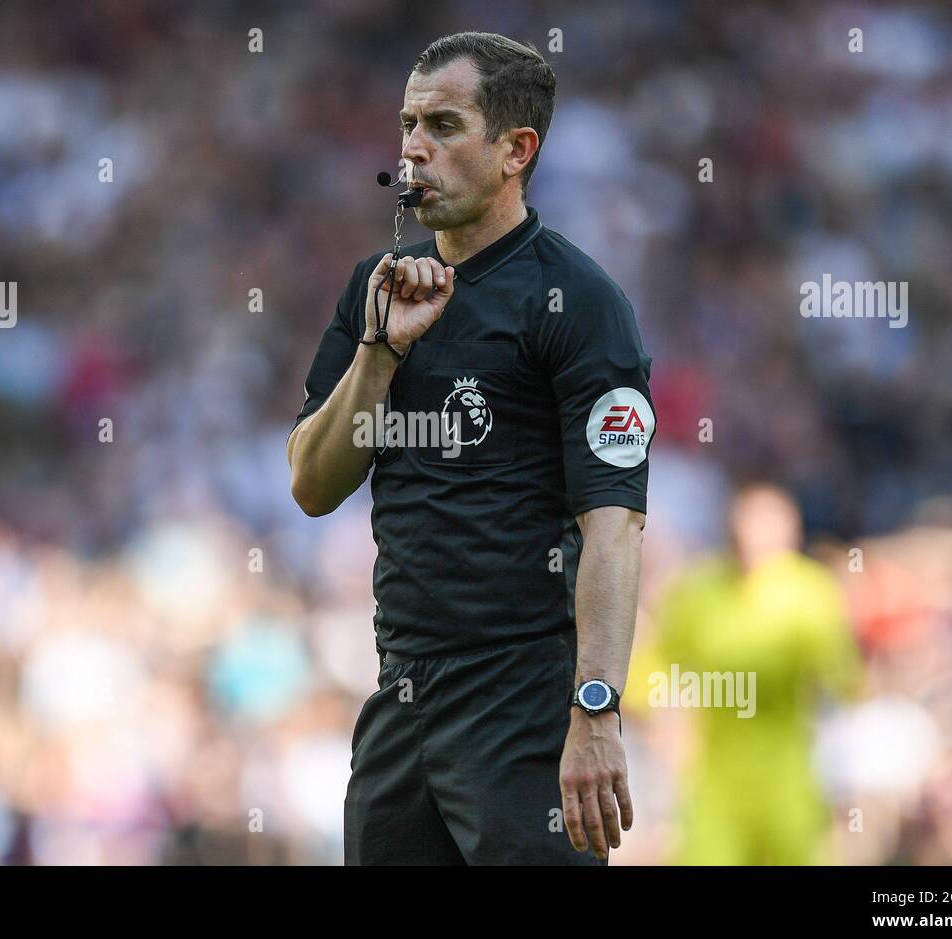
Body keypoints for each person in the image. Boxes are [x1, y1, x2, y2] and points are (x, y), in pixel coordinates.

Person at [287, 32, 656, 865]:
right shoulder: (375, 288)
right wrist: (379, 353)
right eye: (409, 123)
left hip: (521, 701)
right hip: (401, 694)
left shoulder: (580, 303)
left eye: (445, 125)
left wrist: (595, 712)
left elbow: (615, 526)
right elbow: (312, 484)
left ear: (514, 150)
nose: (415, 146)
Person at [641, 483, 863, 864]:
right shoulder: (699, 592)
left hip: (787, 776)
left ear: (791, 532)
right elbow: (656, 667)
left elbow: (845, 684)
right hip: (713, 777)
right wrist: (666, 724)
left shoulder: (812, 593)